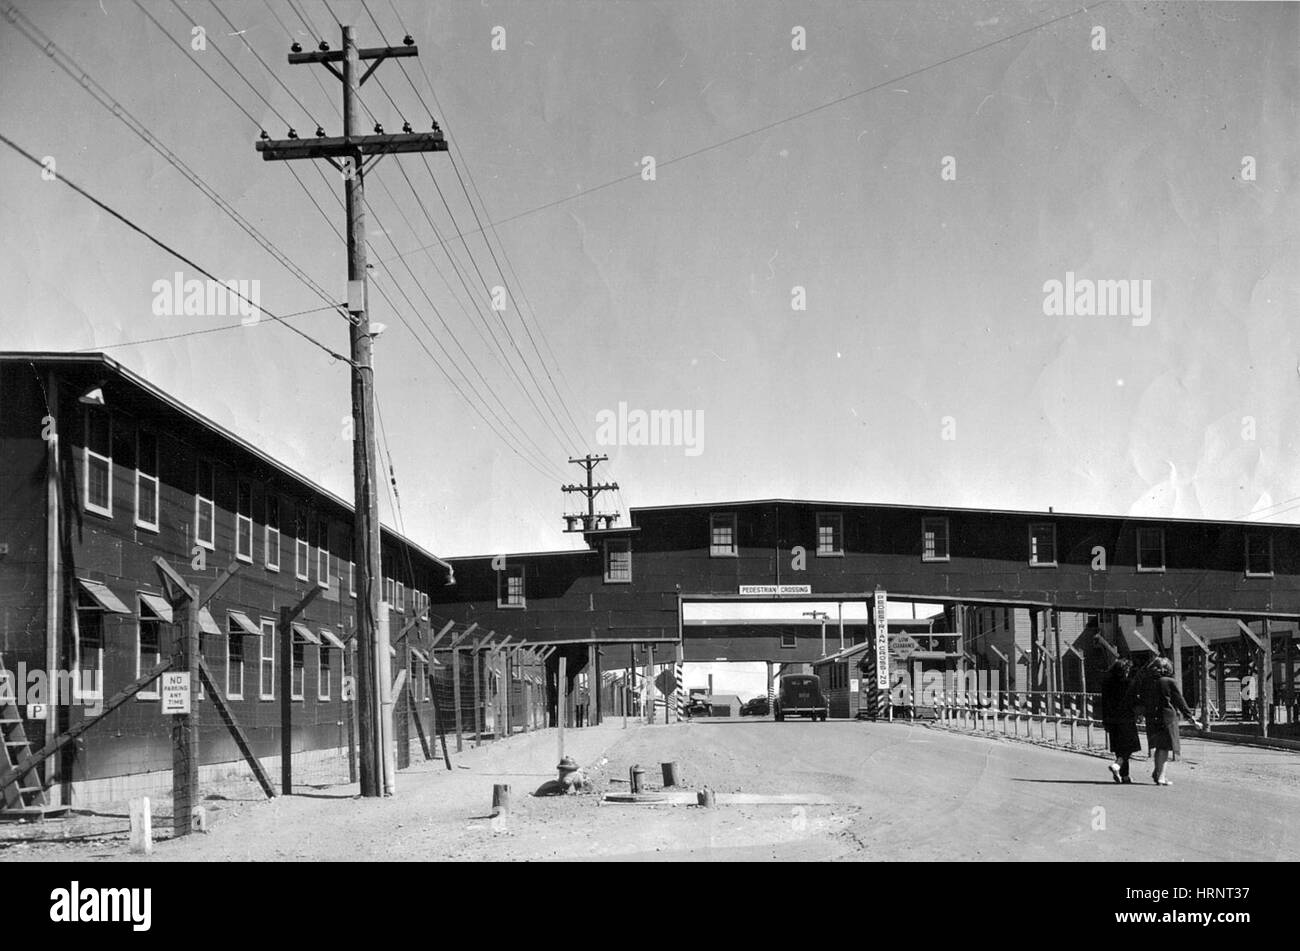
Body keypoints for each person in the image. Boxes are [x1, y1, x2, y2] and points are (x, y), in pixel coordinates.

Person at [1138, 656, 1196, 786]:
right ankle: (1161, 777)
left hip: (1152, 717)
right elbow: (1179, 701)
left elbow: (1142, 699)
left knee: (1159, 746)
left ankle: (1157, 772)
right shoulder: (1169, 681)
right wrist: (1190, 717)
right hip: (1167, 717)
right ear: (1167, 668)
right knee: (1164, 748)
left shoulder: (1147, 681)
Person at [1100, 659, 1141, 783]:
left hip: (1111, 719)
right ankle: (1117, 765)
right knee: (1129, 746)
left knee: (1119, 748)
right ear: (1125, 670)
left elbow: (1104, 703)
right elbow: (1134, 700)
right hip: (1126, 718)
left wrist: (1105, 720)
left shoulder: (1106, 683)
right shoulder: (1129, 683)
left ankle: (1124, 776)